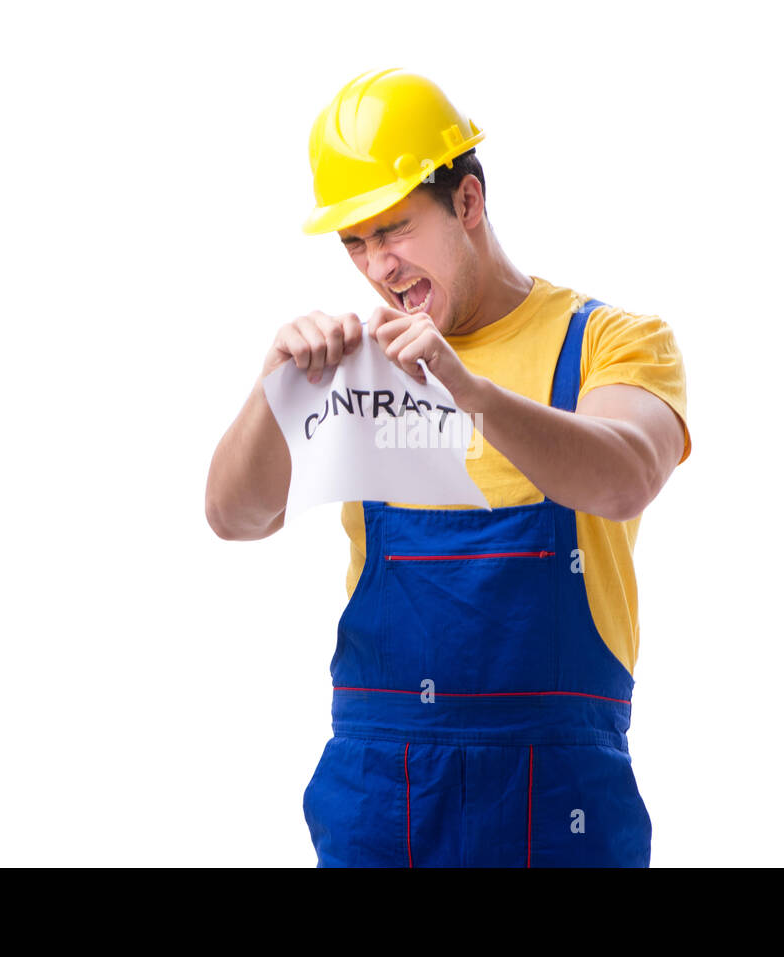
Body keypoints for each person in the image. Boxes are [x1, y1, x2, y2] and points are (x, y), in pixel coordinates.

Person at [205, 68, 691, 867]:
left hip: (560, 794)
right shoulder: (359, 370)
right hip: (379, 793)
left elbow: (625, 475)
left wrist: (468, 391)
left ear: (467, 202)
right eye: (354, 242)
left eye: (392, 229)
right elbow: (235, 515)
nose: (377, 267)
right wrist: (273, 390)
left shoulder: (613, 340)